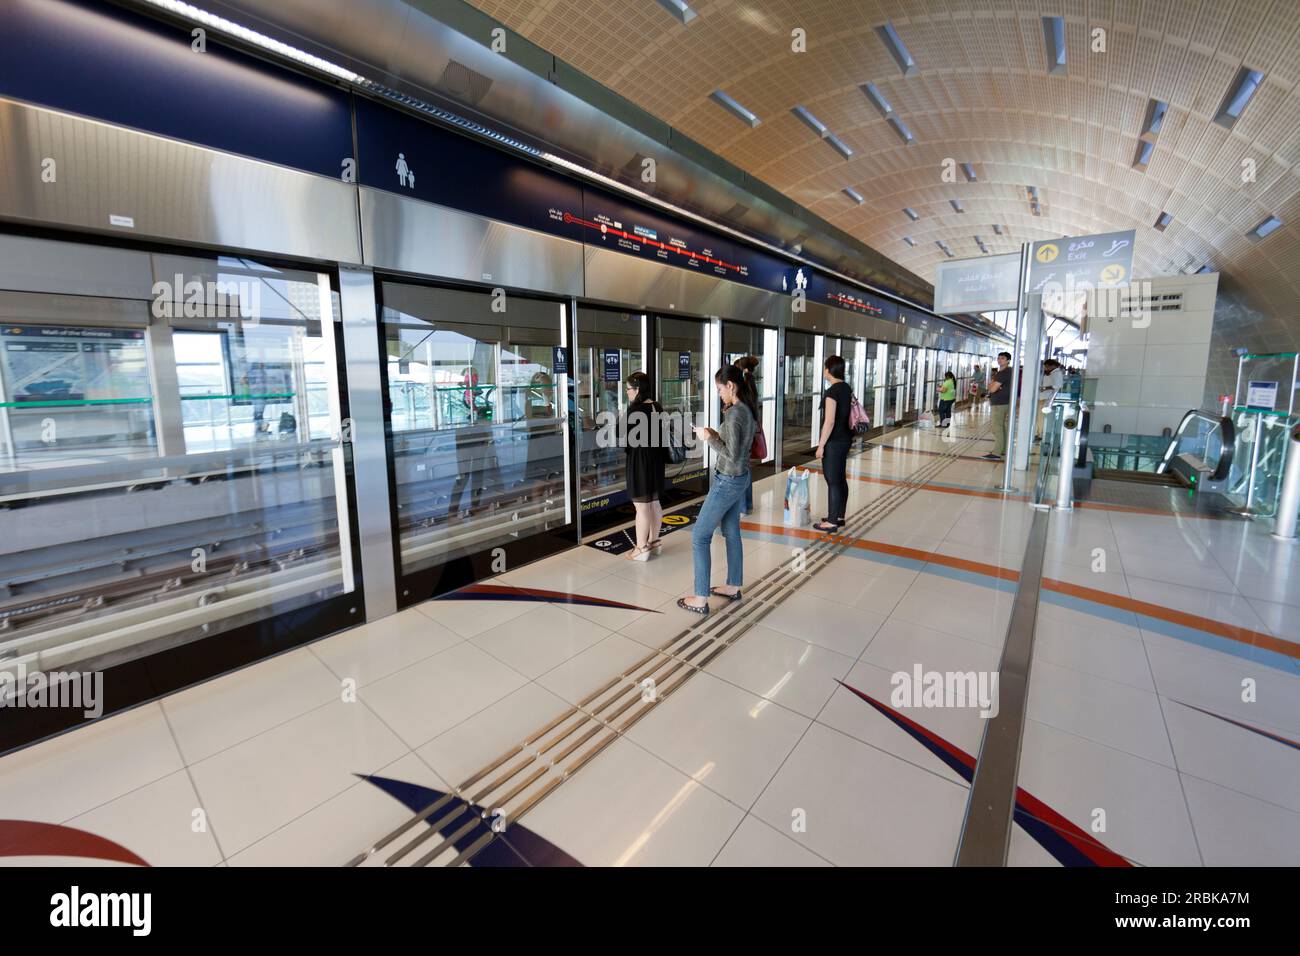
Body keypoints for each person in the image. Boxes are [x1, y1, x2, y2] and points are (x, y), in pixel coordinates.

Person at [678, 366, 758, 615]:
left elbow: (731, 455)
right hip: (741, 477)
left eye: (720, 388)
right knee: (731, 531)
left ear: (731, 386)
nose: (719, 393)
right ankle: (733, 586)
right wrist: (715, 433)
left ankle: (700, 598)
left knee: (699, 536)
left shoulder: (735, 414)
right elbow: (739, 450)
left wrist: (708, 438)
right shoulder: (747, 409)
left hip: (727, 480)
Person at [622, 371, 666, 562]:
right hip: (656, 459)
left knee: (641, 506)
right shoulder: (657, 406)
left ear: (638, 389)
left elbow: (619, 432)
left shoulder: (635, 410)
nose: (628, 393)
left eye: (629, 389)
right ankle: (654, 542)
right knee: (654, 502)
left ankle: (641, 548)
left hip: (639, 460)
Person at [812, 355, 854, 533]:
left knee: (833, 481)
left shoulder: (832, 392)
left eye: (824, 368)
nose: (824, 371)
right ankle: (839, 516)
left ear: (829, 370)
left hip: (834, 442)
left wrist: (821, 445)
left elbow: (829, 421)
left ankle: (831, 521)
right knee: (840, 478)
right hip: (845, 439)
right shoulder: (846, 388)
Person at [734, 354, 761, 515]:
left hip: (743, 430)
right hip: (750, 429)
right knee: (746, 467)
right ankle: (747, 504)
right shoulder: (751, 385)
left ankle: (742, 506)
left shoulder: (742, 389)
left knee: (741, 467)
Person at [982, 351, 1013, 461]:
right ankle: (1003, 449)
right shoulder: (1009, 371)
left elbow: (992, 388)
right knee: (1002, 426)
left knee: (997, 427)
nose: (1000, 360)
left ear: (1008, 360)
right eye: (999, 358)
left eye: (1003, 358)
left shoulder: (1003, 373)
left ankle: (996, 453)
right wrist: (994, 385)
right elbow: (994, 386)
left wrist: (993, 385)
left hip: (999, 403)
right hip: (1005, 402)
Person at [1034, 359, 1064, 444]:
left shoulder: (1056, 373)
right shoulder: (1053, 373)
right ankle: (1039, 433)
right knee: (1040, 417)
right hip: (1044, 397)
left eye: (1047, 366)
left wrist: (1045, 388)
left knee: (1041, 417)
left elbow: (1057, 385)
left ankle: (1041, 435)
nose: (1046, 368)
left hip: (1045, 398)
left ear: (1052, 366)